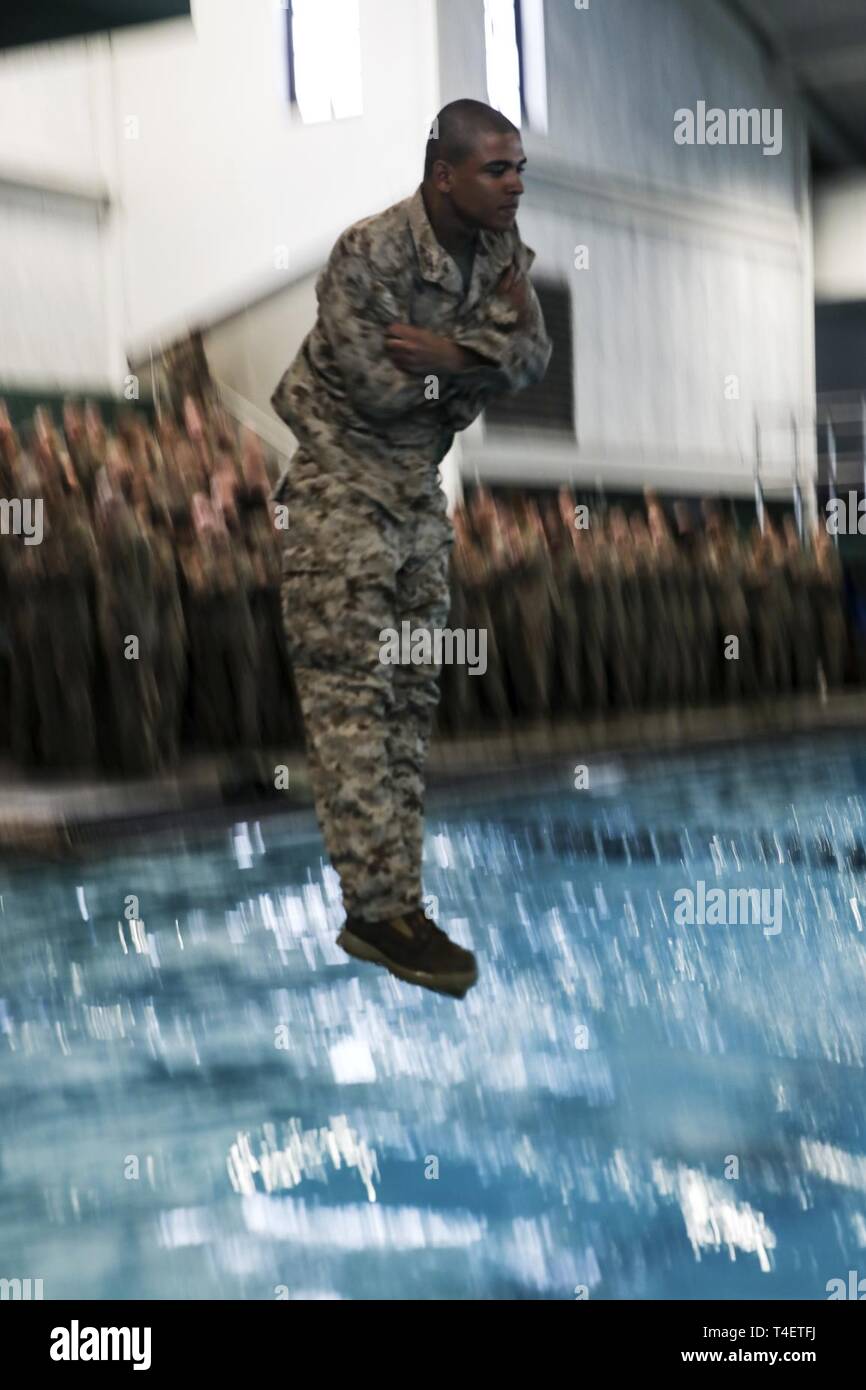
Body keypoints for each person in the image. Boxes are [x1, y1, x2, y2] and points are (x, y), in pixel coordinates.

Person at [270, 98, 551, 996]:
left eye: (518, 171)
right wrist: (482, 348)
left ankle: (398, 904)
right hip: (343, 494)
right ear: (444, 175)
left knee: (409, 700)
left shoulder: (503, 254)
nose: (514, 186)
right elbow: (382, 392)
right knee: (354, 704)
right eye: (496, 170)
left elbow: (537, 358)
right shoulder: (370, 253)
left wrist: (448, 349)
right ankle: (374, 909)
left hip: (417, 498)